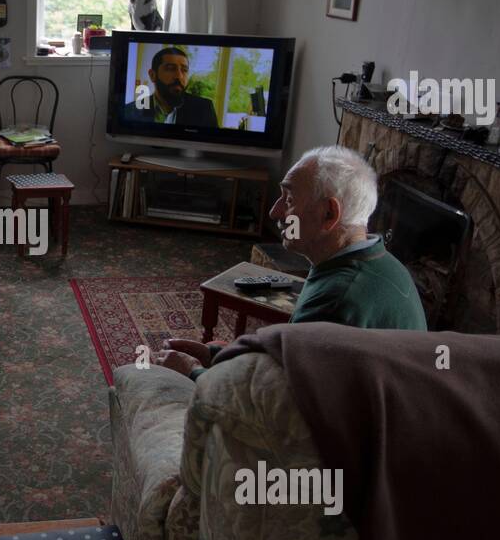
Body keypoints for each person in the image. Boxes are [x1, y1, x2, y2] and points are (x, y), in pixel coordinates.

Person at [154, 145, 427, 379]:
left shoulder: (337, 302)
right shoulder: (381, 262)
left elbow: (274, 403)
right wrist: (215, 354)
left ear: (329, 213)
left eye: (289, 199)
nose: (275, 212)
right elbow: (291, 358)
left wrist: (192, 372)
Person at [121, 46, 217, 127]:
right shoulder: (131, 112)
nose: (179, 76)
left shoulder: (203, 109)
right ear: (152, 75)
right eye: (170, 69)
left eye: (184, 70)